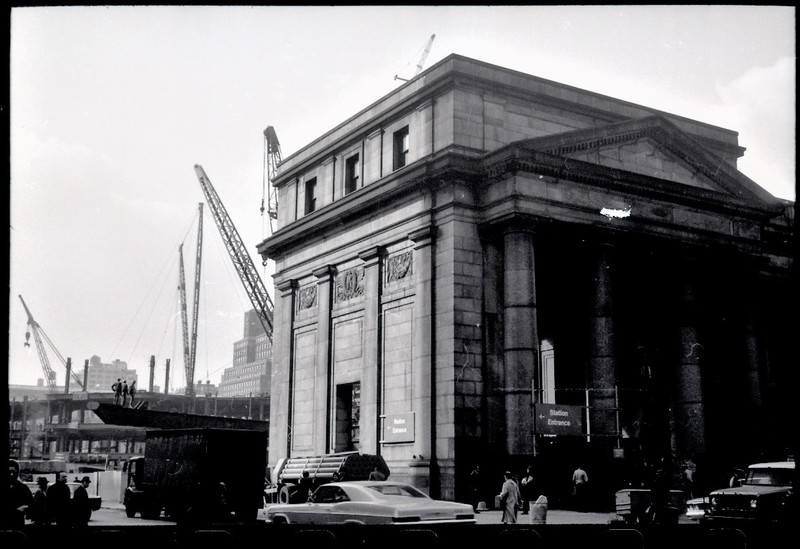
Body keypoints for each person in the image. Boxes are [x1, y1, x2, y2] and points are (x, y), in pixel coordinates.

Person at [7, 459, 34, 530]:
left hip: (17, 524)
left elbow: (31, 504)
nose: (11, 474)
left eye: (14, 472)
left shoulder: (23, 488)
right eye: (9, 472)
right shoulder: (22, 487)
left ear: (18, 472)